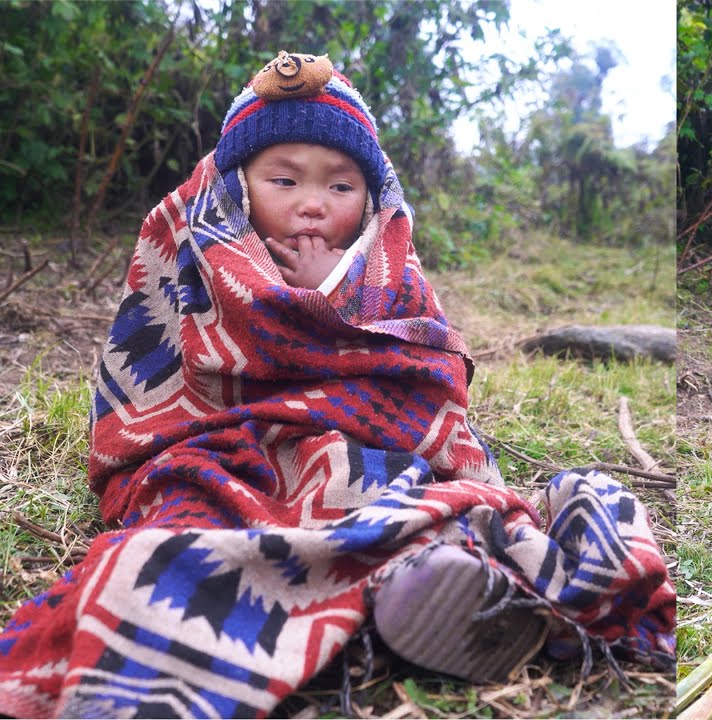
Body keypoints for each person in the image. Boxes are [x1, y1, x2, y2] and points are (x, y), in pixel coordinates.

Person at [0, 51, 675, 719]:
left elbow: (424, 369)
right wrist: (277, 297)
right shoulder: (196, 252)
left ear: (375, 197)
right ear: (236, 184)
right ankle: (333, 595)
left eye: (340, 187)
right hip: (223, 443)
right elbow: (150, 364)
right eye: (284, 182)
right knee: (185, 519)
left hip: (357, 439)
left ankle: (447, 589)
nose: (313, 206)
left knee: (389, 486)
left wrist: (330, 297)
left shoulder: (390, 270)